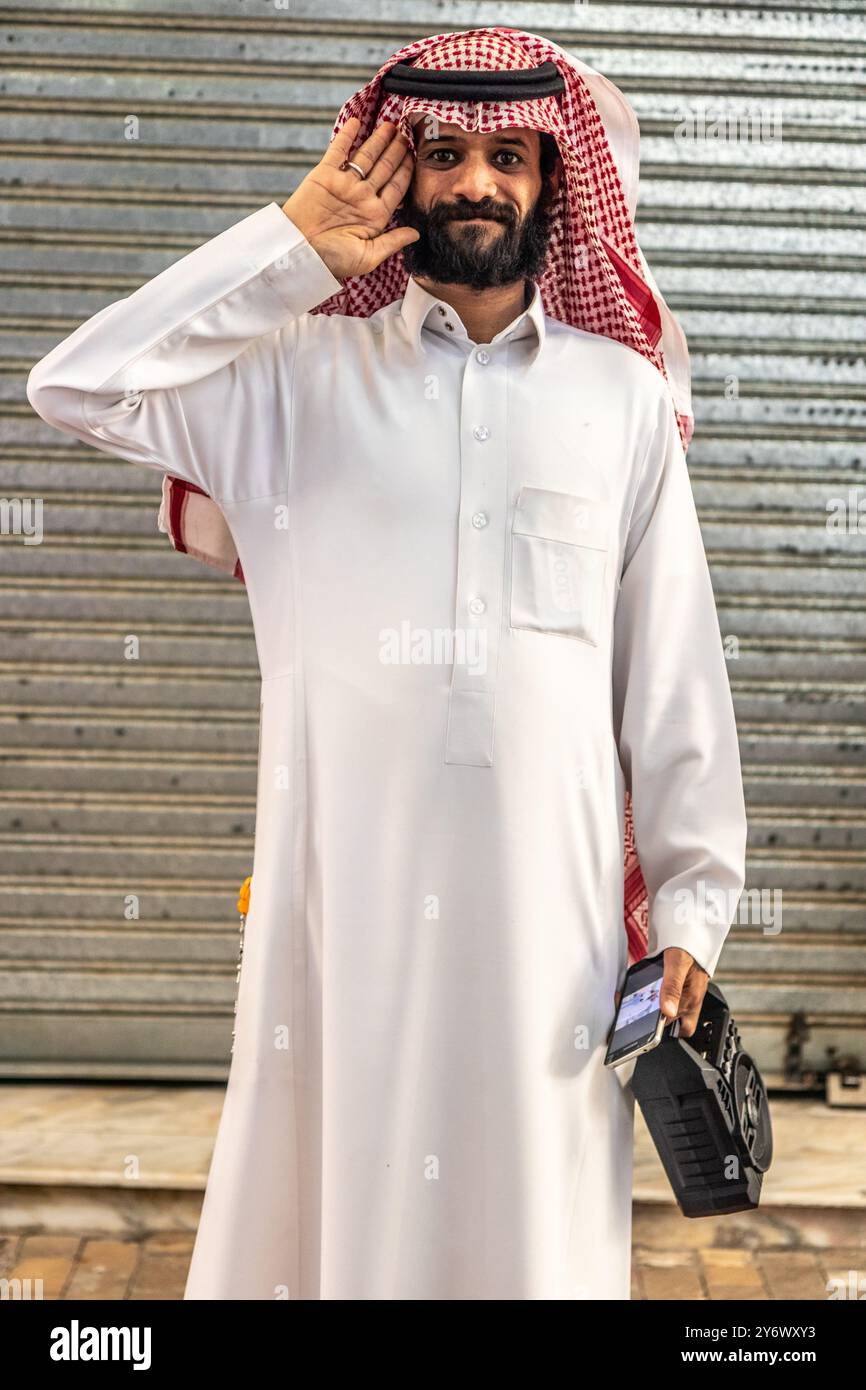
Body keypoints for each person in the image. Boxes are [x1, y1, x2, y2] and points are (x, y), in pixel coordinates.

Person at [26, 27, 747, 1300]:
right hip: (335, 924)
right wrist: (286, 249)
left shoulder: (619, 403)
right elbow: (74, 386)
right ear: (397, 173)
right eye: (446, 152)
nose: (476, 181)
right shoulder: (290, 379)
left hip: (554, 932)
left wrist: (691, 904)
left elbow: (672, 672)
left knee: (533, 1239)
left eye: (508, 156)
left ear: (553, 182)